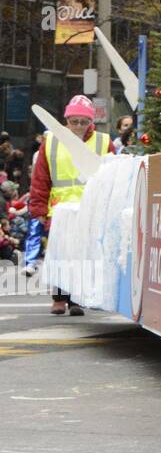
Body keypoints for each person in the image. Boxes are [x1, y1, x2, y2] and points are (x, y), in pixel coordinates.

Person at [23, 95, 114, 314]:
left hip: (91, 208)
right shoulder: (52, 142)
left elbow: (113, 174)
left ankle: (76, 300)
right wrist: (38, 209)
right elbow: (40, 179)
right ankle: (59, 298)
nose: (79, 127)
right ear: (66, 120)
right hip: (60, 209)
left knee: (83, 254)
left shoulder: (103, 141)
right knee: (61, 254)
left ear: (91, 122)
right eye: (74, 122)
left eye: (84, 122)